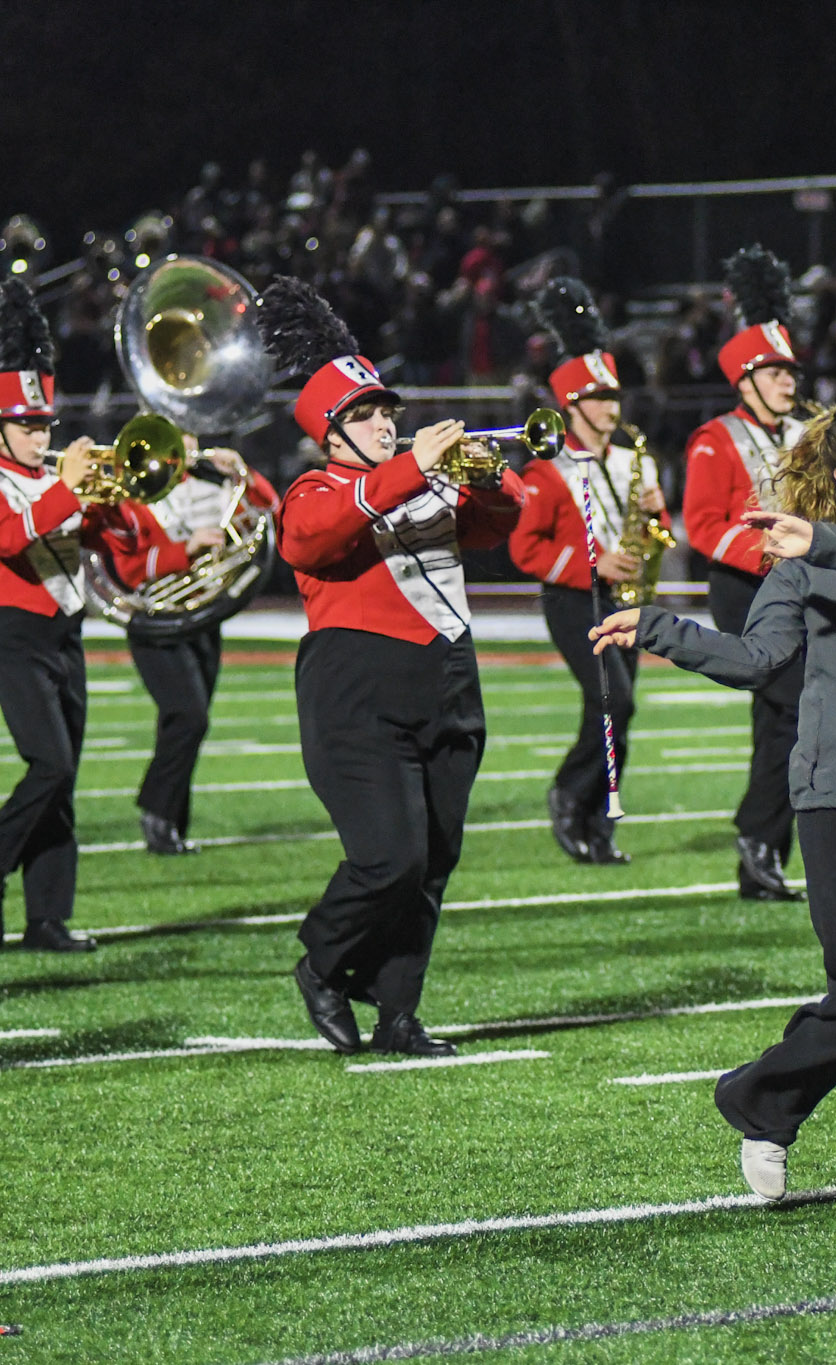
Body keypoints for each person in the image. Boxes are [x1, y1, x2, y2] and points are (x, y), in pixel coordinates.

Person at [592, 394, 836, 1219]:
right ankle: (762, 1096)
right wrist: (660, 628)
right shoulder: (802, 568)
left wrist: (829, 539)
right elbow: (754, 659)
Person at [260, 277, 525, 1055]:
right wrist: (411, 468)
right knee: (389, 857)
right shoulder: (315, 487)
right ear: (329, 433)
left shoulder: (417, 481)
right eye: (364, 416)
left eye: (387, 413)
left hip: (449, 681)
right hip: (357, 692)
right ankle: (322, 961)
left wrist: (482, 471)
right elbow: (310, 540)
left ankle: (398, 1011)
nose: (384, 425)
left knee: (434, 862)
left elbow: (505, 520)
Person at [510, 278, 668, 864]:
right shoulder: (546, 470)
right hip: (577, 599)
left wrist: (656, 515)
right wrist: (594, 562)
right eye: (600, 398)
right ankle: (568, 793)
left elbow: (653, 528)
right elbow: (526, 550)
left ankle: (600, 828)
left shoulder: (632, 459)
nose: (612, 407)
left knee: (613, 712)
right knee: (614, 704)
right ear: (572, 405)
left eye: (614, 396)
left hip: (625, 598)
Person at [681, 246, 809, 901]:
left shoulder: (809, 433)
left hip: (803, 584)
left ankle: (762, 853)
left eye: (790, 371)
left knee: (785, 718)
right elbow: (701, 525)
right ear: (746, 380)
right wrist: (767, 549)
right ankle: (759, 838)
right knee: (791, 706)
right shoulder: (715, 438)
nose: (790, 381)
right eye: (776, 372)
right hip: (748, 586)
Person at [97, 433, 279, 854]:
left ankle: (170, 827)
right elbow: (126, 567)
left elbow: (270, 514)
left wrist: (244, 475)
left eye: (190, 433)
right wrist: (185, 548)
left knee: (181, 723)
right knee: (189, 716)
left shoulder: (213, 489)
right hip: (154, 620)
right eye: (172, 432)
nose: (185, 443)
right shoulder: (132, 497)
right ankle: (156, 812)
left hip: (203, 617)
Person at [0, 280, 113, 951]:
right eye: (26, 425)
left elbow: (107, 546)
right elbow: (12, 538)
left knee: (62, 777)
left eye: (44, 426)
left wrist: (110, 507)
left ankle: (47, 917)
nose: (40, 437)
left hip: (66, 632)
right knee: (48, 764)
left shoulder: (52, 479)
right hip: (13, 634)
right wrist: (68, 488)